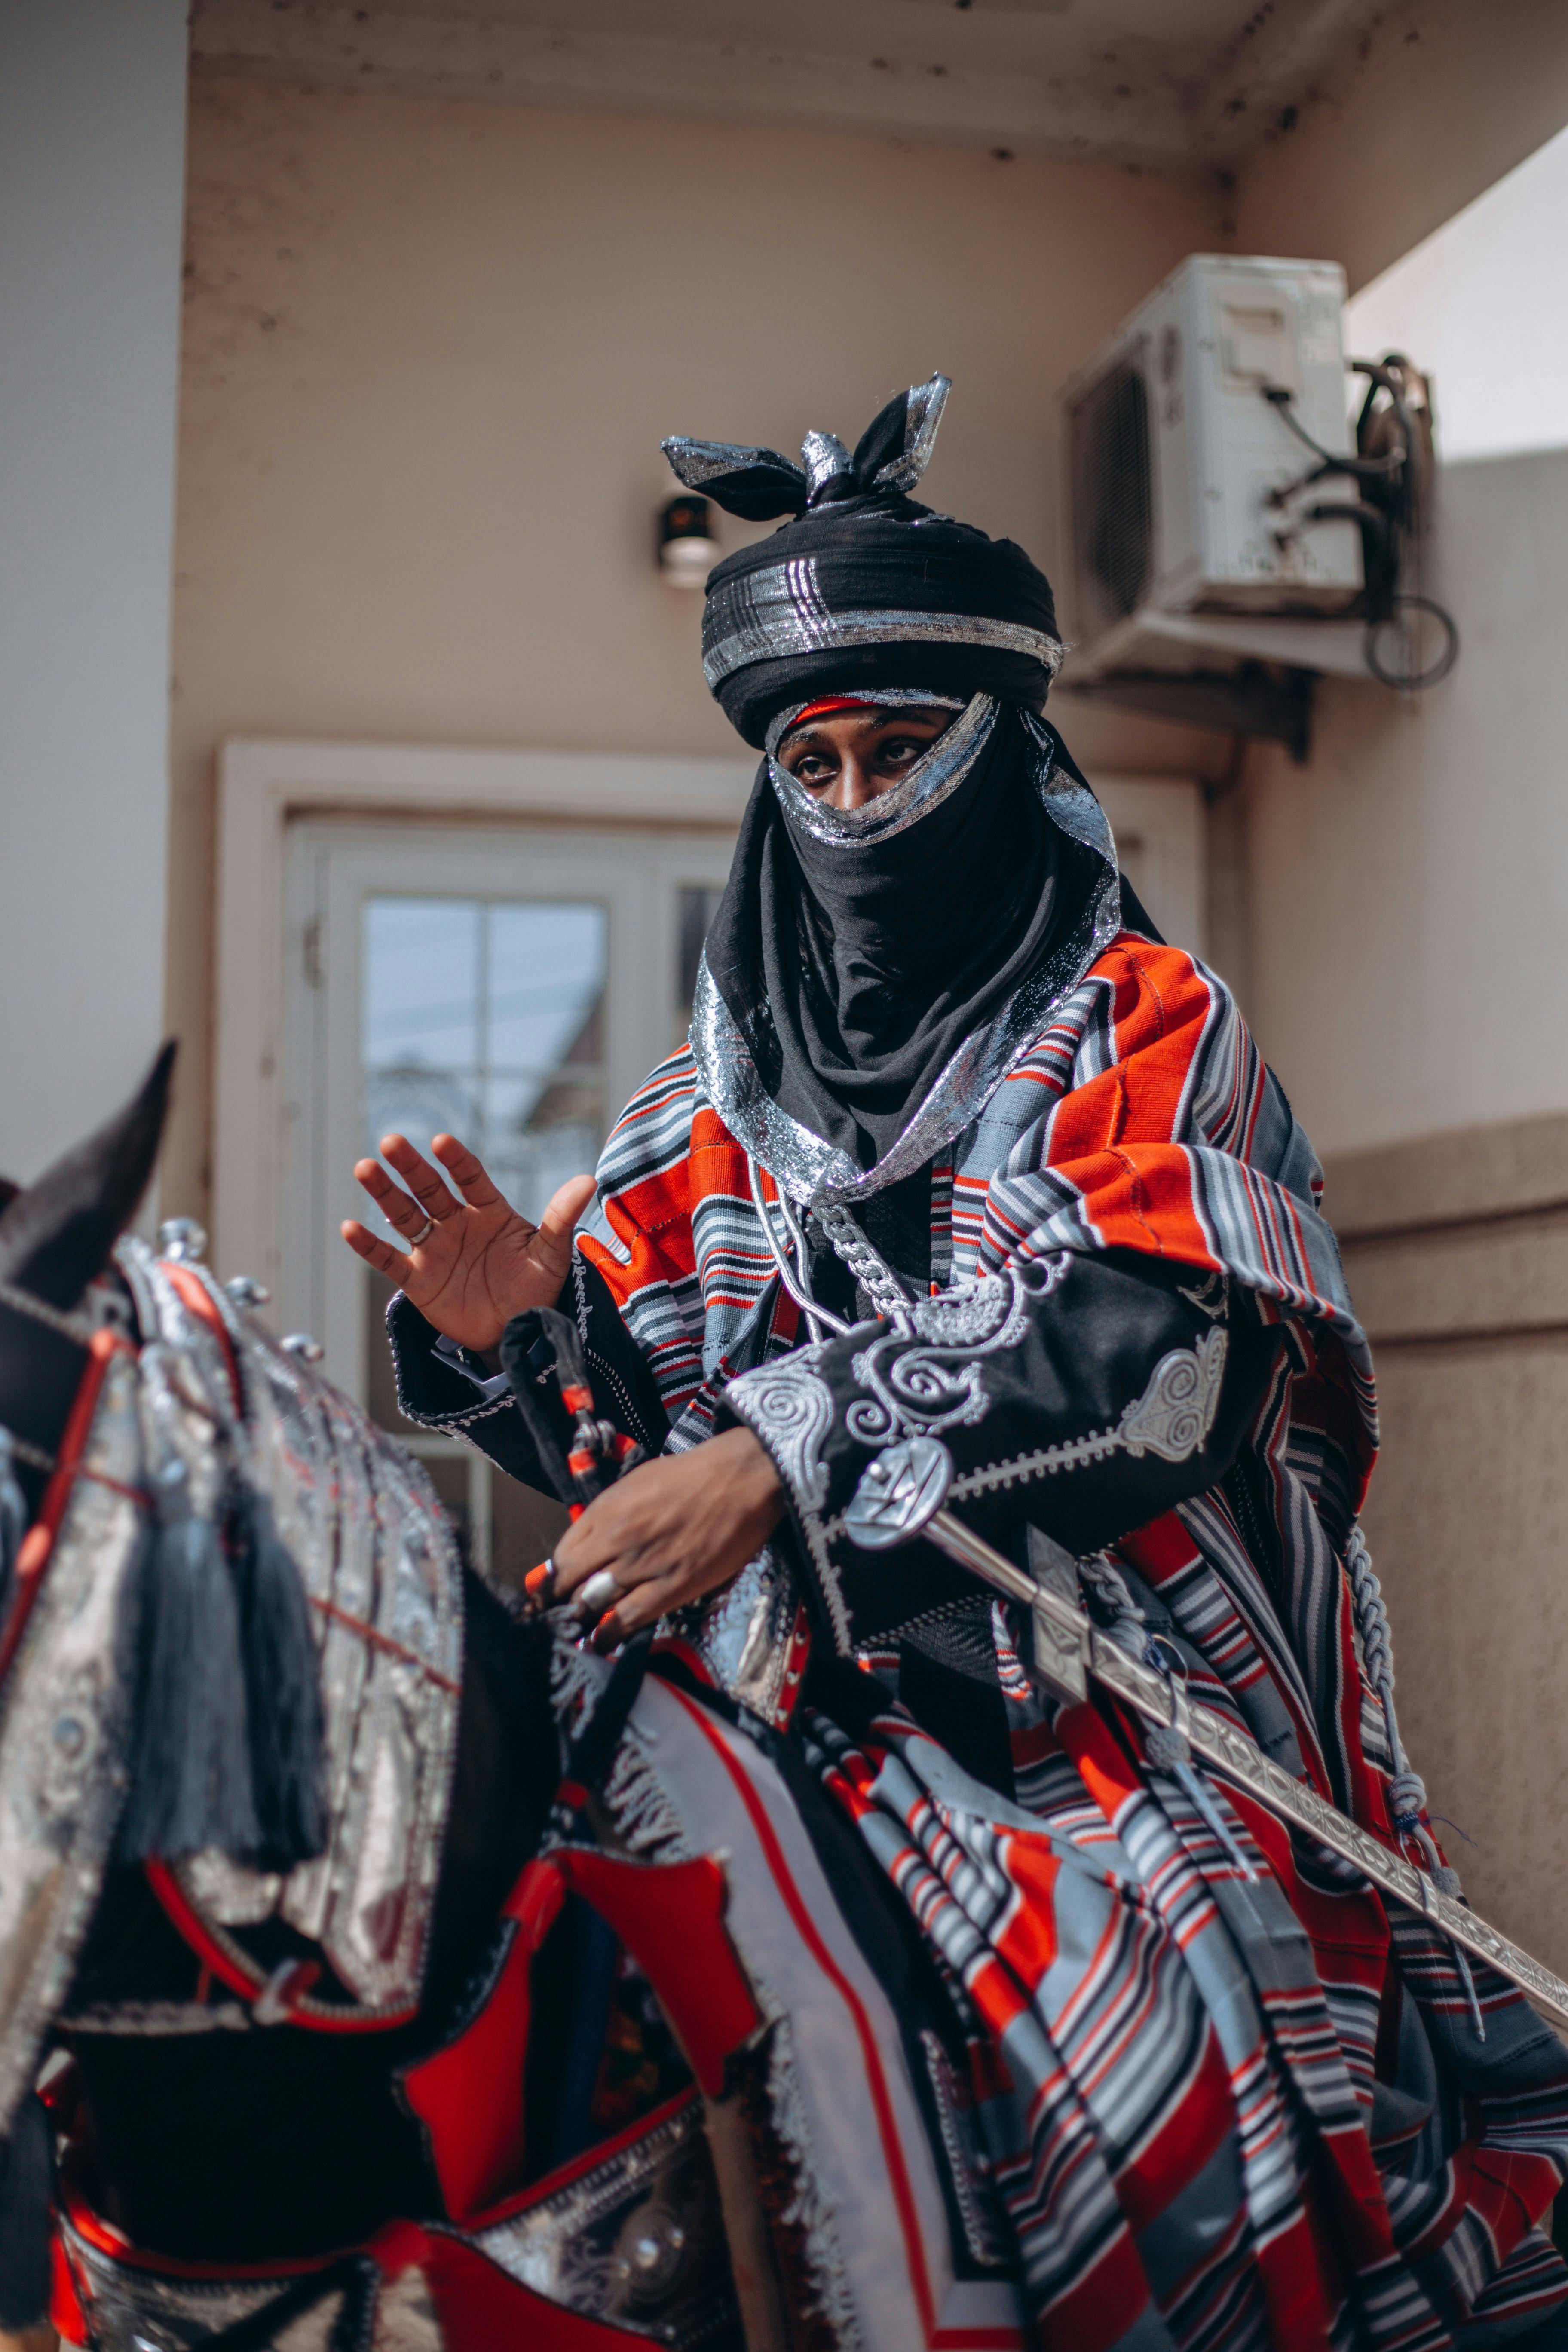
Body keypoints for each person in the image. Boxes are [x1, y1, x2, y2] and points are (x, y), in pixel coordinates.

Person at [344, 375, 1568, 2345]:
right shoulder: (692, 1121)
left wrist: (787, 1462)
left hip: (1122, 1734)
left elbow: (1163, 1359)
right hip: (779, 1717)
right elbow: (638, 1462)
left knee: (1163, 2053)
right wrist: (536, 1336)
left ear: (1003, 750)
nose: (849, 809)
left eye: (898, 749)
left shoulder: (1146, 1026)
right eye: (808, 765)